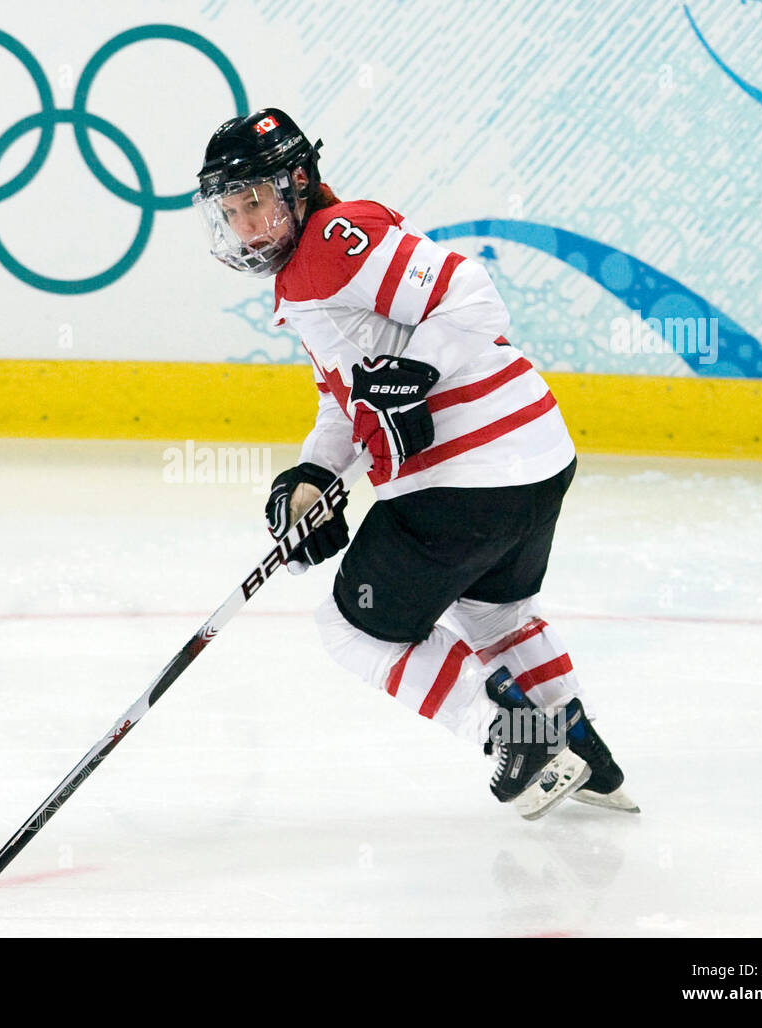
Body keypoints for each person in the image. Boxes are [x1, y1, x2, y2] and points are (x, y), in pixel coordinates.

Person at [192, 108, 637, 818]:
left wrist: (415, 371)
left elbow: (473, 297)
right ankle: (578, 747)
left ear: (298, 182)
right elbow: (348, 403)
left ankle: (513, 737)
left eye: (257, 202)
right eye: (233, 209)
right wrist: (313, 475)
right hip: (533, 460)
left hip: (469, 476)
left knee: (352, 626)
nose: (246, 224)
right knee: (498, 614)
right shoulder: (308, 280)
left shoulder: (335, 241)